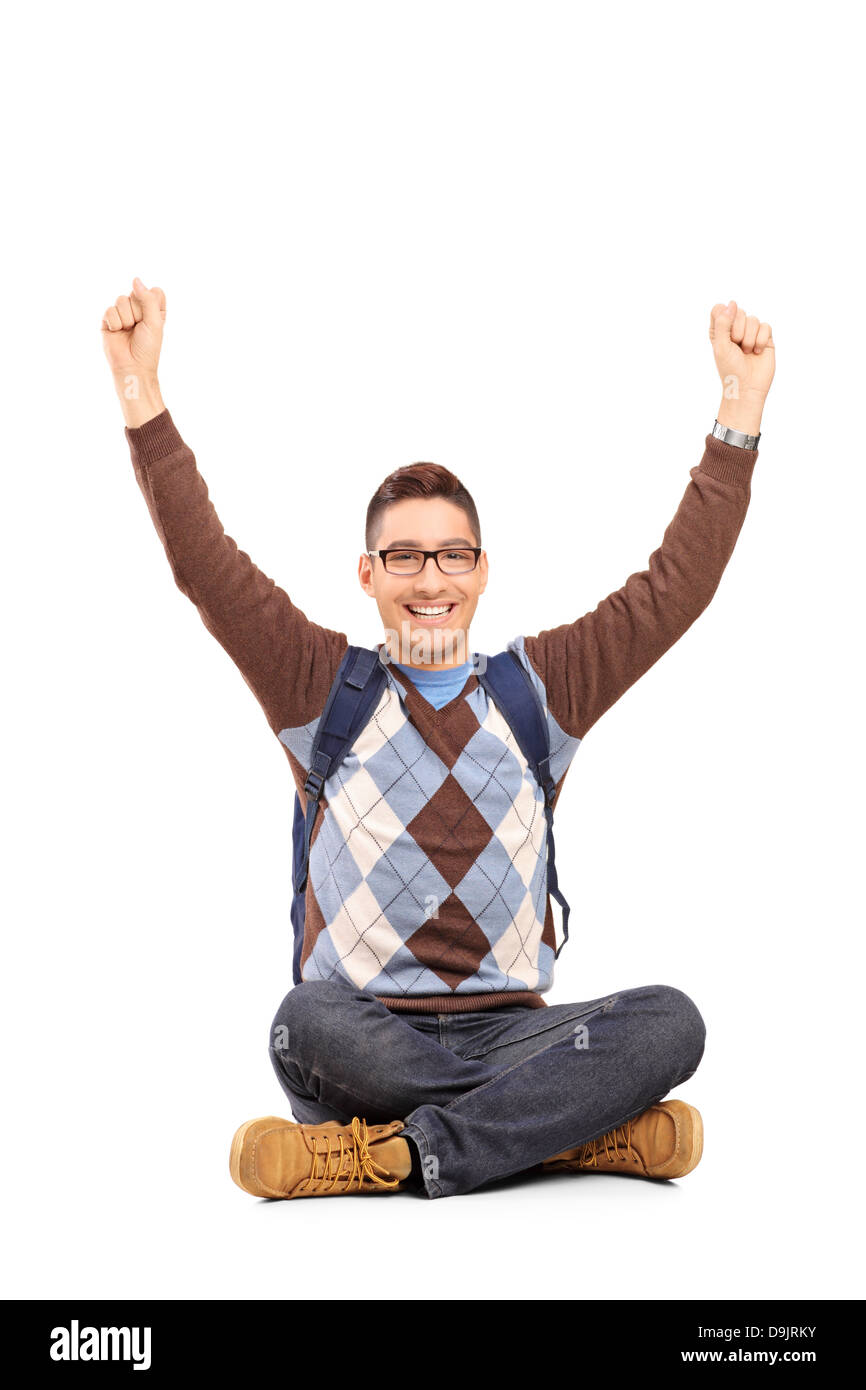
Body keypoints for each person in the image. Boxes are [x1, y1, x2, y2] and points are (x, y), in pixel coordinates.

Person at [102, 279, 775, 1201]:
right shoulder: (316, 686)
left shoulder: (543, 690)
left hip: (516, 1032)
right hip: (366, 1038)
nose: (431, 578)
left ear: (483, 570)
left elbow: (675, 589)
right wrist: (142, 397)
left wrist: (740, 409)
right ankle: (567, 1137)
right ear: (370, 576)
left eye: (452, 555)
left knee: (672, 1023)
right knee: (301, 1025)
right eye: (406, 558)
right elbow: (204, 564)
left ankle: (390, 1156)